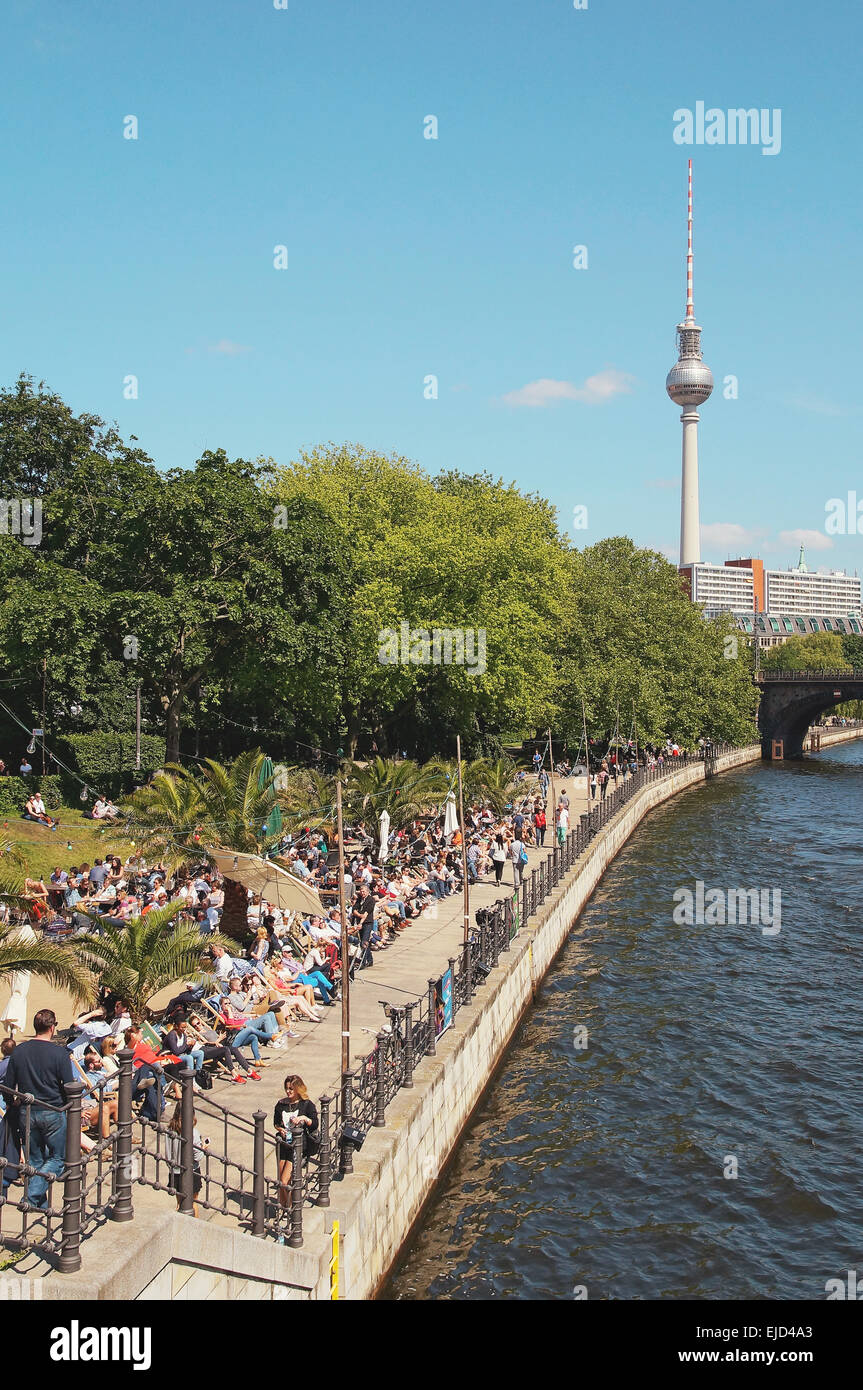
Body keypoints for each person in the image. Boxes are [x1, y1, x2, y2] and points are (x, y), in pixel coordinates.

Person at [1, 1009, 74, 1208]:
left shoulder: (19, 1051)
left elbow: (8, 1085)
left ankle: (40, 1206)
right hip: (53, 1109)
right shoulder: (60, 1053)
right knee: (59, 1158)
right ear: (52, 1028)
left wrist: (12, 1102)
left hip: (27, 1110)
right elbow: (69, 1085)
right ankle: (32, 1198)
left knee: (34, 1159)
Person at [274, 1074, 319, 1208]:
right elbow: (276, 1122)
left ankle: (290, 1207)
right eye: (287, 1088)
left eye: (291, 1089)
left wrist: (304, 1118)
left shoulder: (307, 1104)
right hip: (284, 1144)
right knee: (281, 1180)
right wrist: (280, 1129)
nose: (288, 1092)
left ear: (298, 1089)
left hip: (299, 1146)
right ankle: (284, 1206)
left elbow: (315, 1123)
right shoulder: (281, 1104)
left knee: (284, 1180)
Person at [163, 1100, 209, 1217]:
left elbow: (168, 1154)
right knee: (193, 1202)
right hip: (191, 1172)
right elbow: (198, 1156)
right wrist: (203, 1147)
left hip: (175, 1171)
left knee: (180, 1203)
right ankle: (195, 1229)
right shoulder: (193, 1132)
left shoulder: (170, 1131)